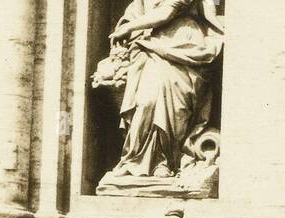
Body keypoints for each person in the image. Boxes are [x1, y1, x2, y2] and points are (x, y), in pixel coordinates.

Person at [96, 1, 225, 188]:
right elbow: (135, 12)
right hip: (149, 45)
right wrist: (127, 28)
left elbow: (166, 12)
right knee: (146, 102)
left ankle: (166, 162)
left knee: (172, 103)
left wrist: (128, 28)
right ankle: (134, 160)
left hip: (183, 44)